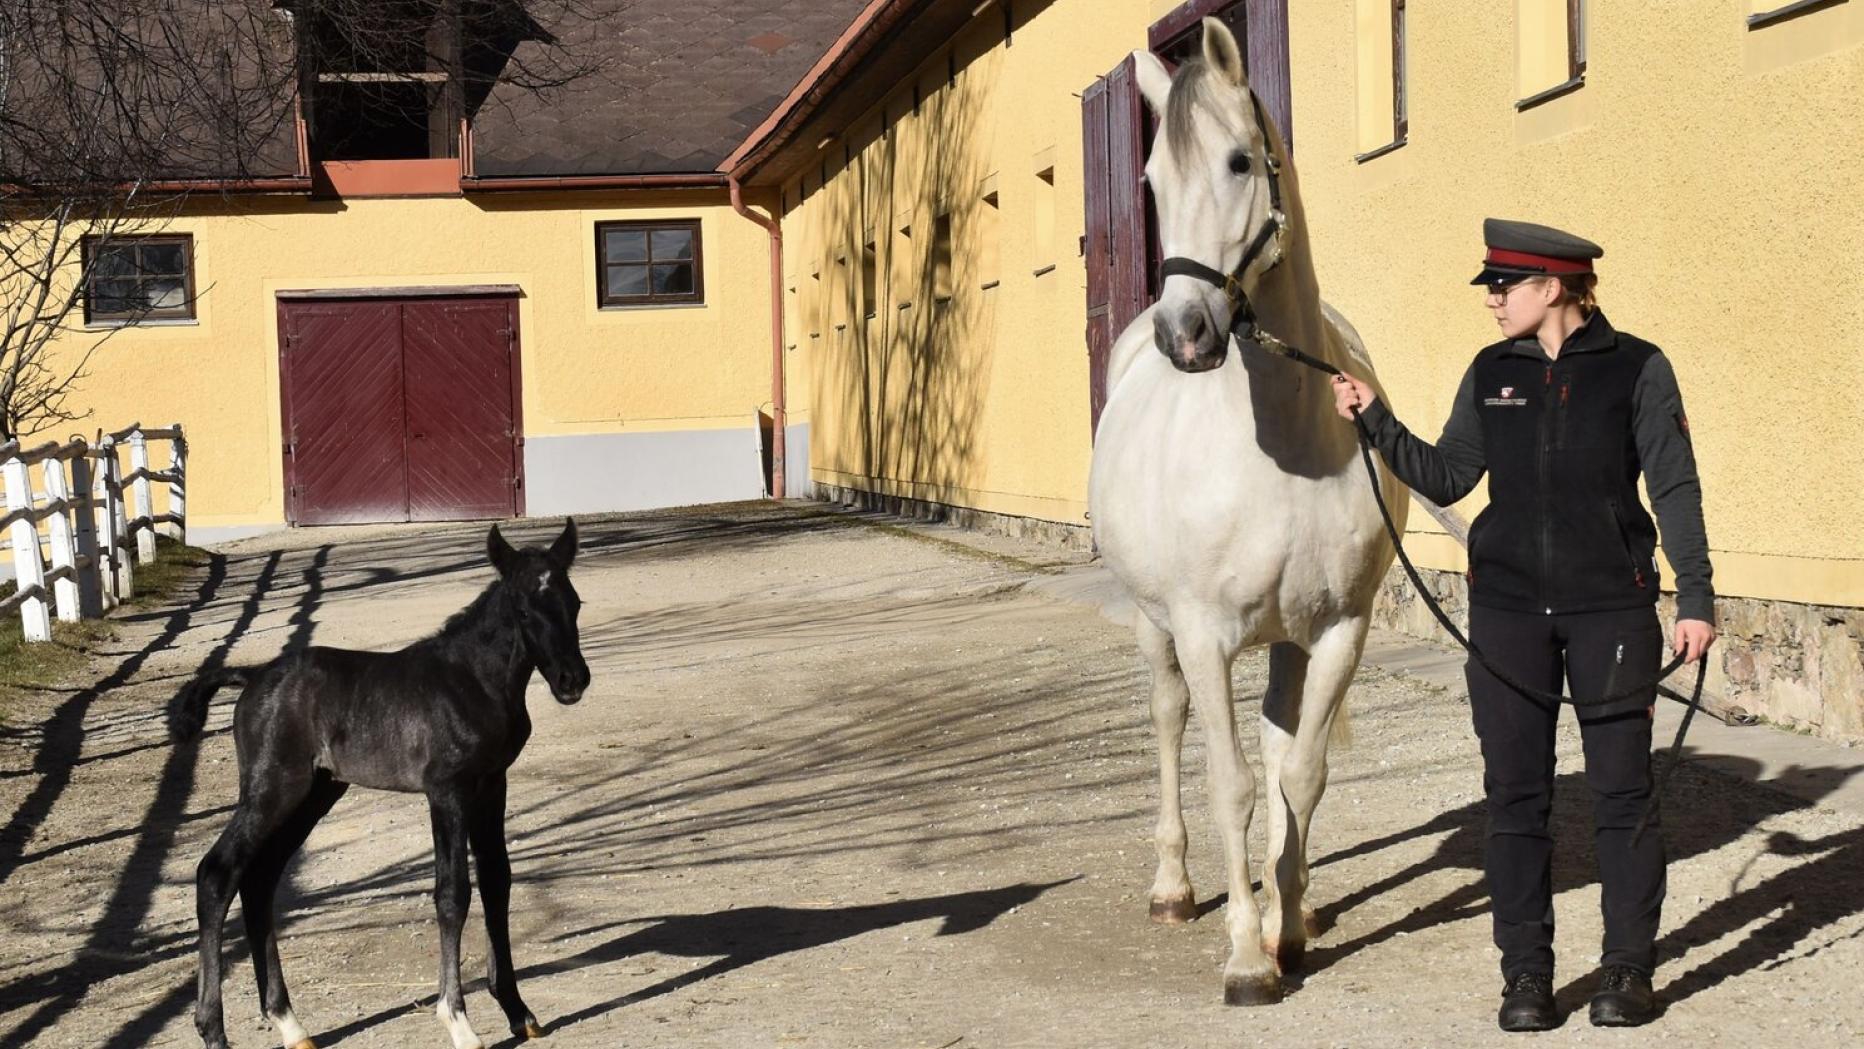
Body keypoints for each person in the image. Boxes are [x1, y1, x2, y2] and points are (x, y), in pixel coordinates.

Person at [1330, 218, 1716, 1032]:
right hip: (1508, 614)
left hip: (1613, 608)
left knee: (1622, 795)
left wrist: (1696, 599)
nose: (1493, 300)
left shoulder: (1637, 368)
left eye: (1505, 285)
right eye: (1492, 287)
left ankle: (1627, 967)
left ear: (1556, 286)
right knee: (1514, 800)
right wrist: (1375, 419)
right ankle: (1527, 976)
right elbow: (1449, 472)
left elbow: (1675, 486)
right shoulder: (1491, 370)